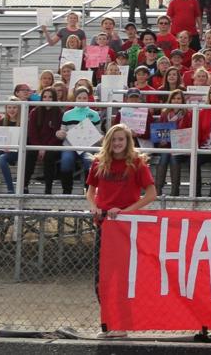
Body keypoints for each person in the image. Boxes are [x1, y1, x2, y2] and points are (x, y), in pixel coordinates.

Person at [85, 123, 157, 339]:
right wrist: (94, 206)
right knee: (101, 279)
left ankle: (122, 324)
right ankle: (108, 323)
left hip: (126, 228)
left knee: (122, 278)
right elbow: (90, 192)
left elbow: (151, 194)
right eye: (114, 139)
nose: (117, 143)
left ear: (127, 142)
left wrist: (125, 212)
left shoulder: (137, 163)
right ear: (108, 141)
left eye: (121, 139)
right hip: (105, 226)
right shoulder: (99, 162)